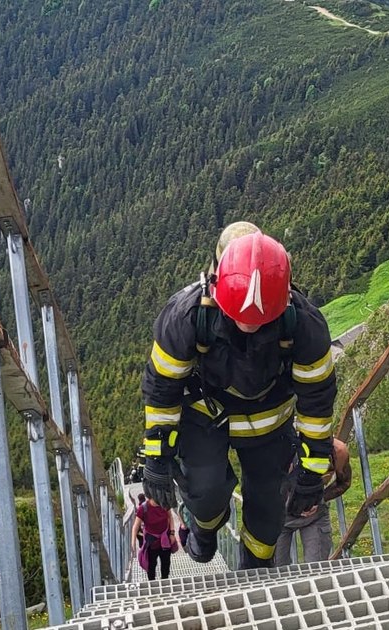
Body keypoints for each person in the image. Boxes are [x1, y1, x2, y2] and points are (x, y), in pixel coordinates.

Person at [141, 227, 337, 569]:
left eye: (261, 321)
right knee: (206, 493)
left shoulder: (304, 326)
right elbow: (162, 388)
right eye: (239, 318)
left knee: (267, 515)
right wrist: (156, 457)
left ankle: (254, 573)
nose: (249, 326)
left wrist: (311, 472)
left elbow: (317, 402)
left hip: (270, 426)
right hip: (206, 418)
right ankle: (203, 531)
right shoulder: (187, 317)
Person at [275, 437, 351, 566]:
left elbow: (344, 482)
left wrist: (318, 499)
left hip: (315, 516)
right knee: (276, 573)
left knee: (317, 571)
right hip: (278, 516)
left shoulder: (337, 451)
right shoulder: (277, 447)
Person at [131, 496, 177, 580]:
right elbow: (136, 526)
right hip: (151, 542)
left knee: (166, 564)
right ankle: (152, 584)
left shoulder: (164, 504)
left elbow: (170, 517)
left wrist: (172, 533)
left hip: (165, 539)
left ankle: (165, 581)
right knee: (151, 566)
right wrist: (133, 542)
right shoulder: (143, 508)